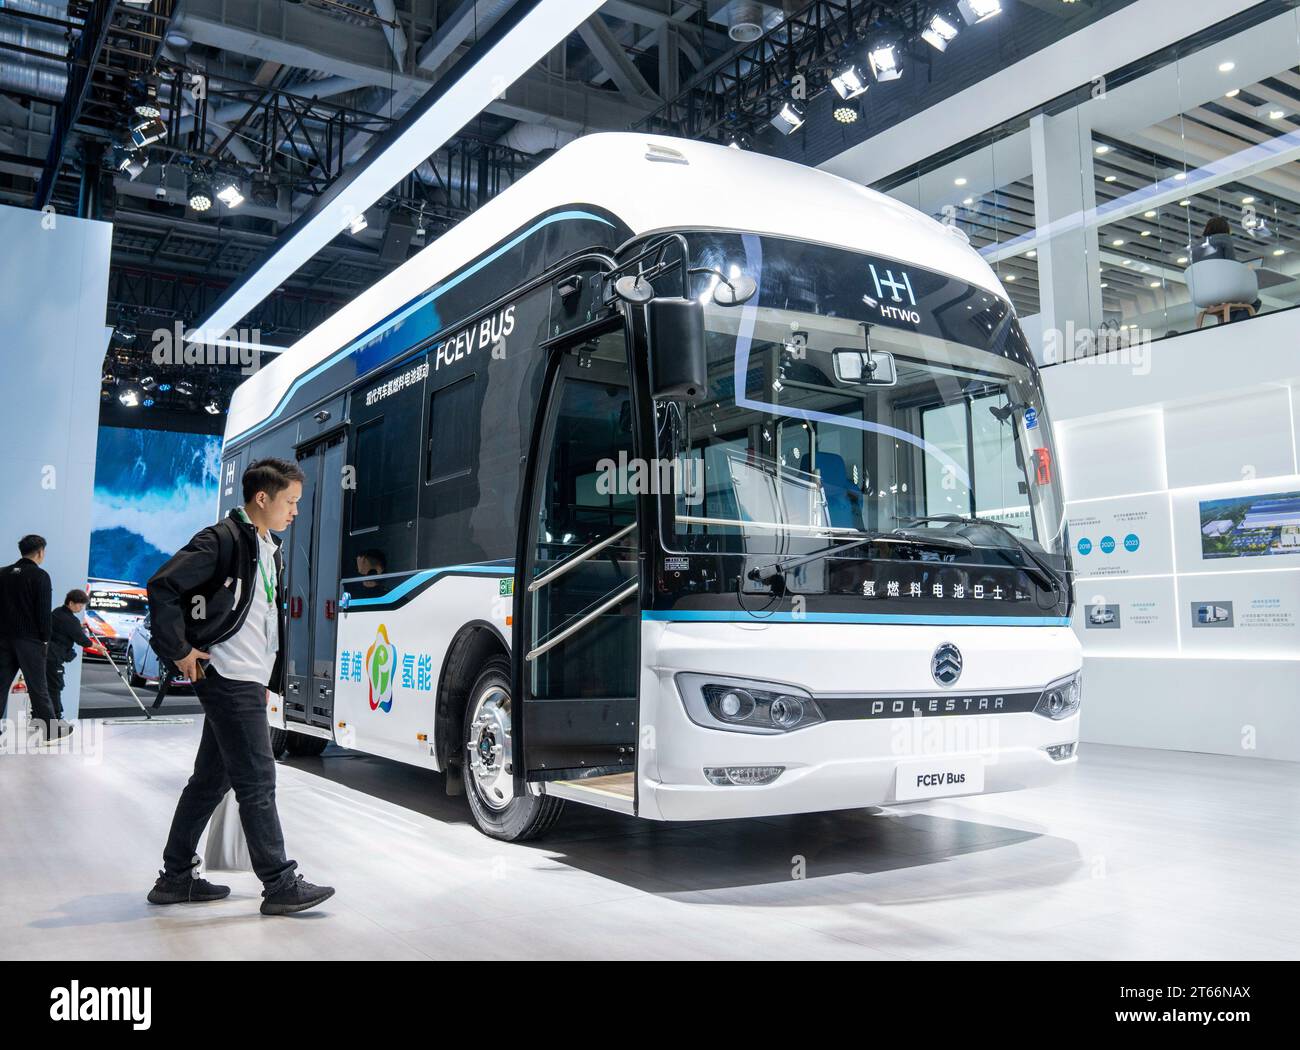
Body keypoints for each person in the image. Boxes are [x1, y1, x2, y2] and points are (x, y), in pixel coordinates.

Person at [146, 458, 334, 915]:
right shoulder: (222, 539)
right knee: (257, 778)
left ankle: (174, 879)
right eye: (290, 502)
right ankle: (279, 883)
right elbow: (163, 586)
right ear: (262, 498)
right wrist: (179, 651)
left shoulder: (268, 546)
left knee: (211, 780)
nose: (295, 511)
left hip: (246, 677)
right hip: (228, 675)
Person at [0, 535, 73, 744]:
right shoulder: (40, 576)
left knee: (1, 684)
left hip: (3, 638)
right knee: (38, 685)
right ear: (40, 552)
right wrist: (45, 640)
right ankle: (51, 731)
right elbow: (43, 613)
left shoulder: (2, 573)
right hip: (30, 640)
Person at [46, 588, 92, 721]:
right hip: (54, 658)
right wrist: (98, 647)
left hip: (45, 656)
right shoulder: (70, 620)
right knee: (55, 688)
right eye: (80, 604)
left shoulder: (56, 612)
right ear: (71, 603)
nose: (81, 607)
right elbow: (83, 640)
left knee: (45, 688)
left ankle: (39, 718)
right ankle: (56, 720)